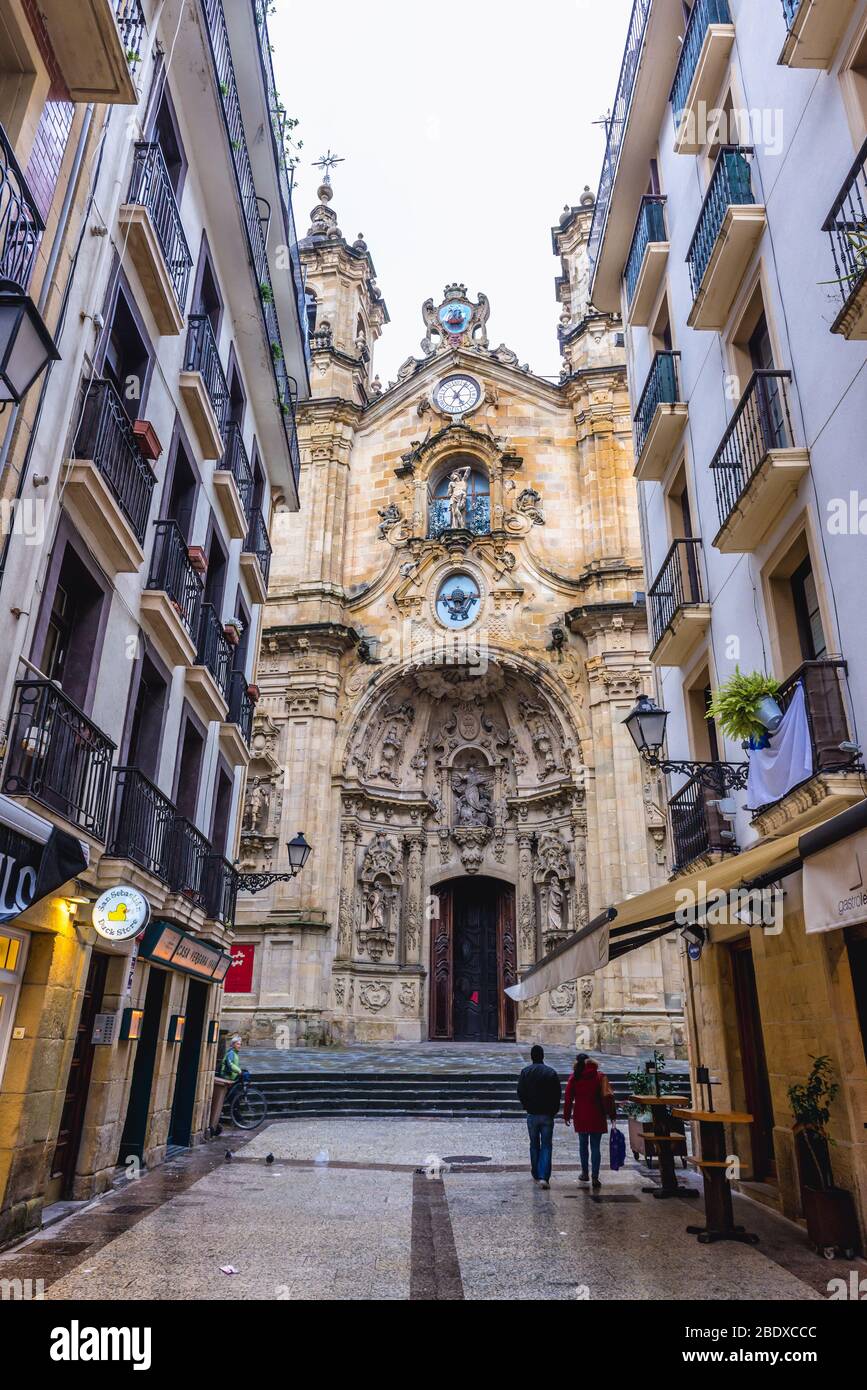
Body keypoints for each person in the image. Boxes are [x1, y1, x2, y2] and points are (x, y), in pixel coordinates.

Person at [563, 1053, 614, 1189]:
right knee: (596, 1147)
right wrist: (612, 1115)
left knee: (583, 1145)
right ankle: (595, 1177)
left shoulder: (575, 1077)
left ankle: (585, 1173)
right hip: (597, 1115)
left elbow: (568, 1098)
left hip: (581, 1115)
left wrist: (566, 1115)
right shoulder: (600, 1076)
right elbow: (608, 1096)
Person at [517, 1044, 562, 1189]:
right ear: (543, 1056)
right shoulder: (551, 1072)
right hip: (547, 1115)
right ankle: (544, 1177)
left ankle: (536, 1172)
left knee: (534, 1144)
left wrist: (526, 1106)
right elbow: (557, 1095)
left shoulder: (525, 1072)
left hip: (532, 1114)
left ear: (531, 1056)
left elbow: (520, 1092)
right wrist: (553, 1111)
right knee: (547, 1145)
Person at [210, 1035, 243, 1135]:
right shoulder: (231, 1053)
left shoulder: (235, 1054)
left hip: (230, 1079)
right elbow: (230, 1064)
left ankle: (236, 1119)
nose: (239, 1046)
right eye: (238, 1044)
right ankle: (236, 1119)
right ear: (233, 1044)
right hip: (226, 1078)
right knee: (233, 1098)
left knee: (233, 1098)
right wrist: (239, 1071)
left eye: (240, 1044)